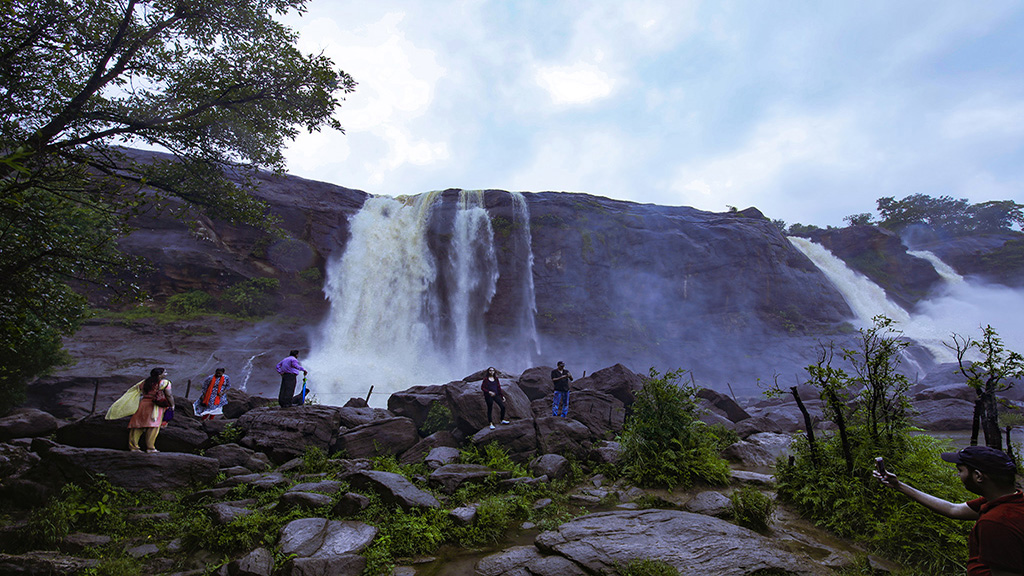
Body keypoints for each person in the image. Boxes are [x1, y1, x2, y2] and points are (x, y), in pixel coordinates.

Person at [874, 445, 1024, 575]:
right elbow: (954, 509)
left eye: (960, 470)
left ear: (978, 476)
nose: (958, 475)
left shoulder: (996, 522)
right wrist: (899, 485)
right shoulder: (1009, 500)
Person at [127, 367, 173, 453]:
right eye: (164, 373)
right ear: (160, 375)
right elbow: (169, 395)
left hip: (143, 404)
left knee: (137, 425)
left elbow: (138, 390)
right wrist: (172, 405)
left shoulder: (145, 382)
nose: (166, 374)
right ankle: (150, 447)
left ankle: (133, 447)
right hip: (156, 406)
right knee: (153, 426)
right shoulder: (165, 383)